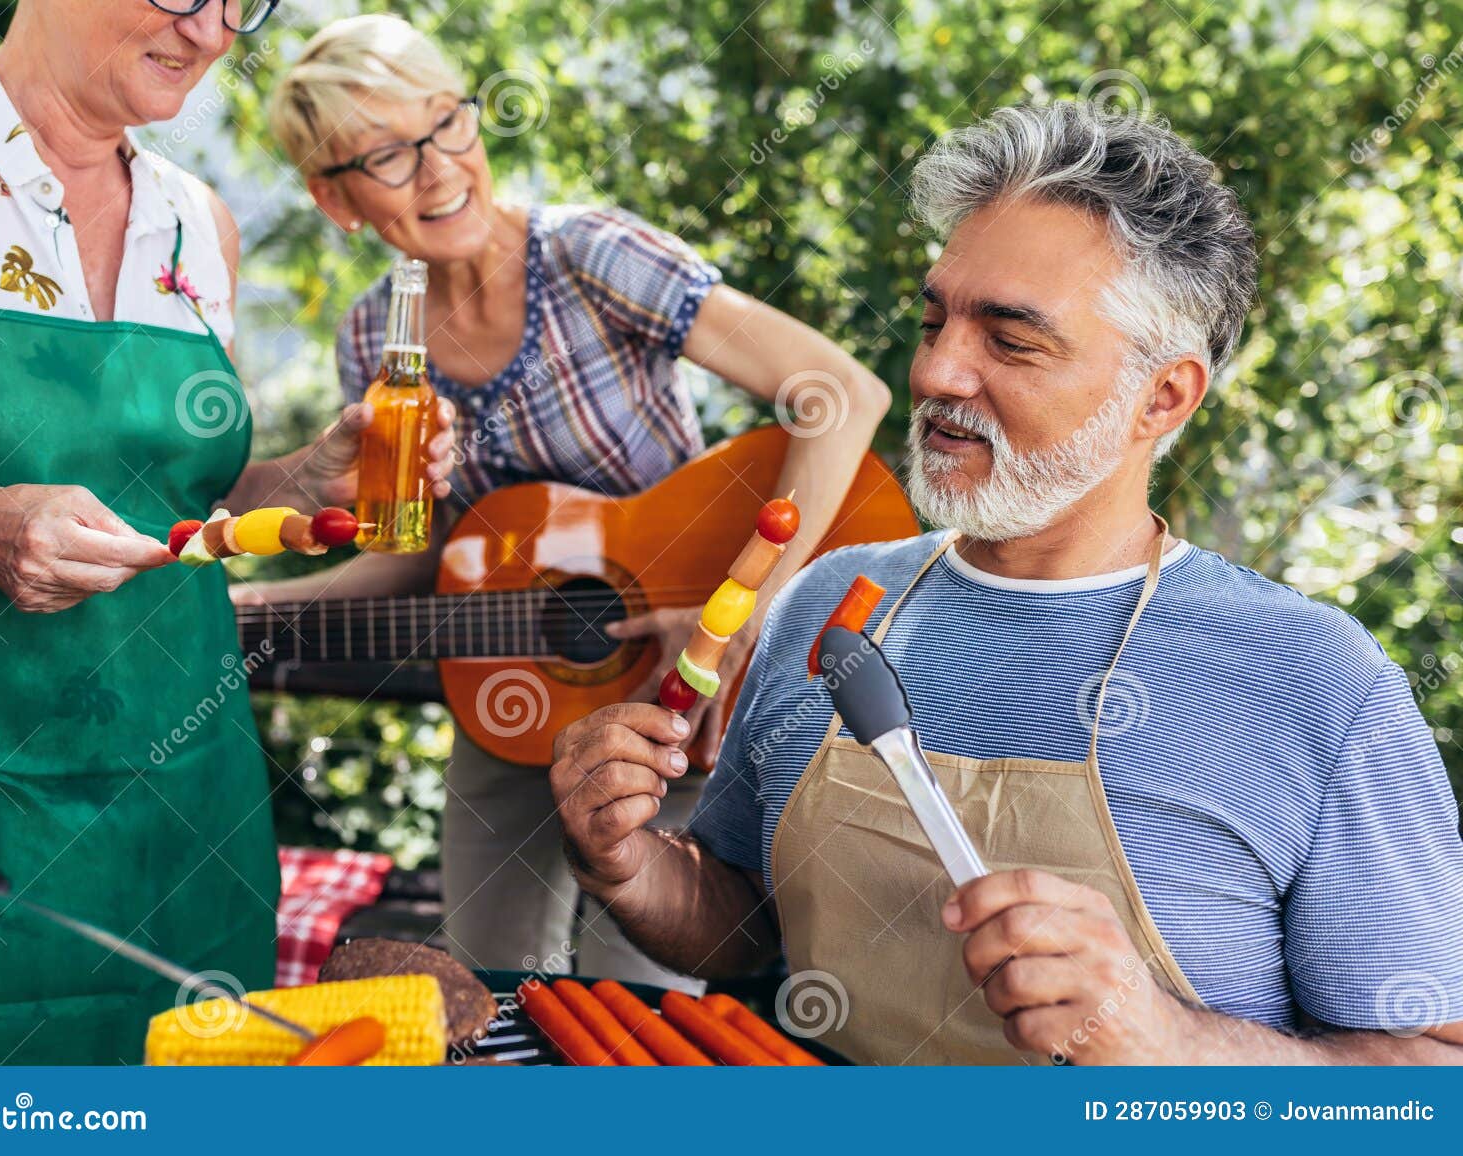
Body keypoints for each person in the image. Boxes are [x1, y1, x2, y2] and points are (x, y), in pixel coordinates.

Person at [551, 102, 1463, 1063]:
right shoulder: (827, 605)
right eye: (933, 321)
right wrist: (631, 868)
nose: (937, 372)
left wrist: (1171, 1039)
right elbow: (743, 929)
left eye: (1011, 341)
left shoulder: (1313, 677)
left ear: (1163, 396)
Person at [0, 0, 452, 1064]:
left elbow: (174, 510)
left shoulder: (197, 223)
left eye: (241, 1)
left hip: (189, 830)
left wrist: (302, 477)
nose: (215, 32)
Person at [249, 14, 891, 986]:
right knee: (484, 987)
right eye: (387, 155)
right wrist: (251, 607)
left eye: (446, 122)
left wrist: (741, 617)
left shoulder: (590, 255)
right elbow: (421, 554)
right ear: (334, 198)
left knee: (639, 1002)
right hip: (508, 698)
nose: (439, 169)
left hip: (673, 693)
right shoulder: (378, 338)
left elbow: (841, 392)